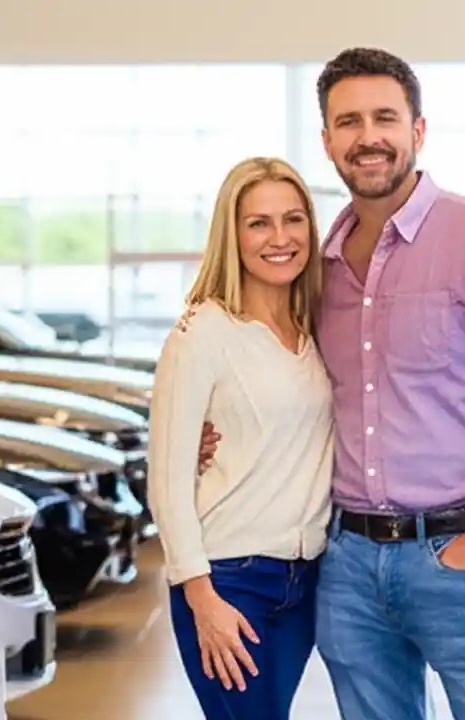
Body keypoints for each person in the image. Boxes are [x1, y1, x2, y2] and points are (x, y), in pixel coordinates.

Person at [198, 48, 465, 720]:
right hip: (346, 566)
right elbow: (285, 384)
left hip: (462, 553)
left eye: (385, 117)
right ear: (327, 141)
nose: (368, 136)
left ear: (418, 130)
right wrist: (214, 434)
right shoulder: (313, 269)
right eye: (348, 121)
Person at [147, 156, 333, 720]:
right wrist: (201, 597)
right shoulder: (202, 331)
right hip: (230, 579)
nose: (280, 238)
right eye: (259, 223)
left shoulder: (315, 328)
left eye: (293, 219)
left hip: (306, 579)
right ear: (232, 235)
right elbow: (167, 479)